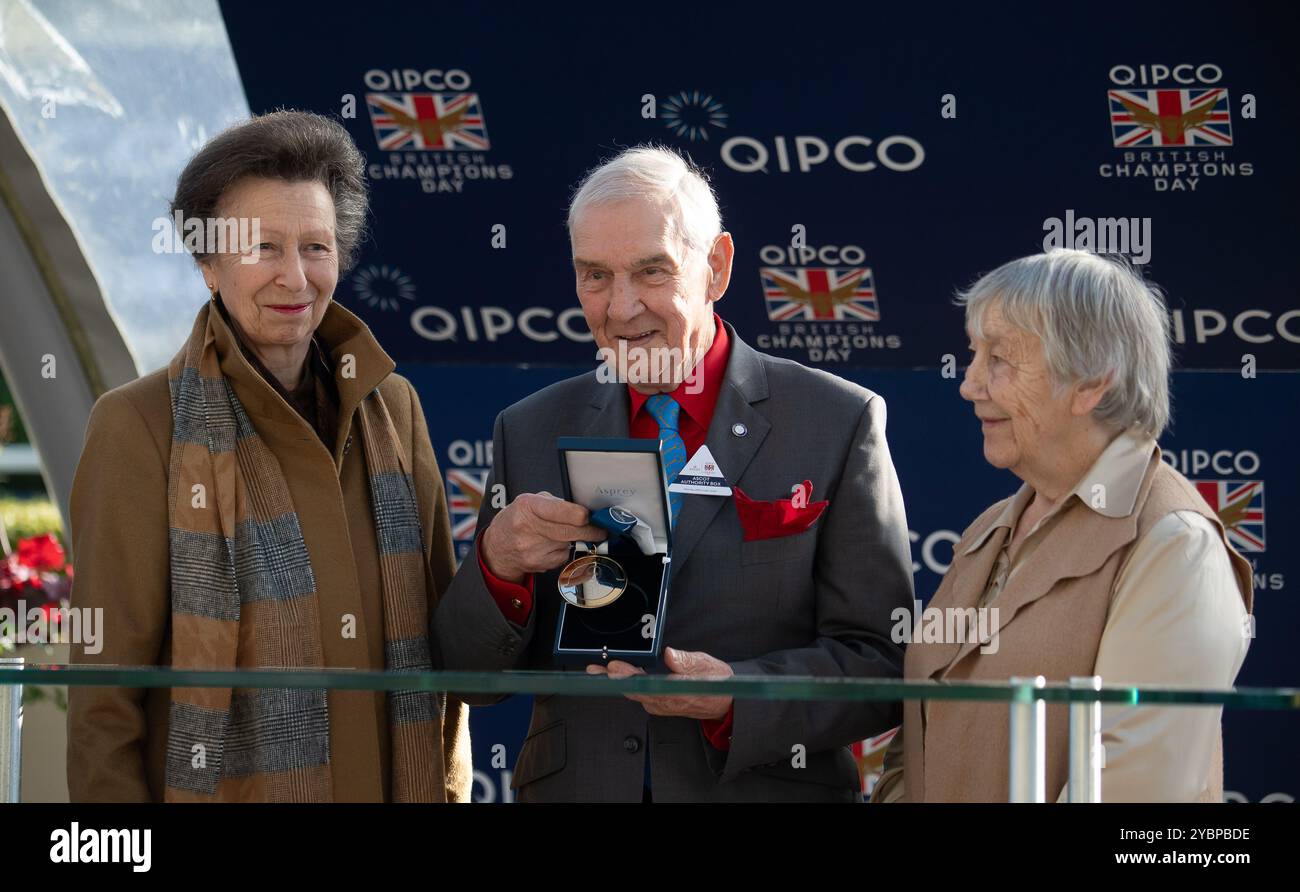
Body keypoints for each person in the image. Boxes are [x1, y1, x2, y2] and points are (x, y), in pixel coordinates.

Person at [432, 145, 914, 801]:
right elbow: (461, 675)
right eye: (595, 276)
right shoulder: (528, 429)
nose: (622, 308)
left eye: (652, 272)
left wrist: (736, 698)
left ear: (716, 267)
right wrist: (497, 564)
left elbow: (884, 664)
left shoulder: (836, 420)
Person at [66, 110, 509, 801]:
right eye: (263, 248)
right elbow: (104, 699)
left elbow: (439, 665)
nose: (294, 277)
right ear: (208, 264)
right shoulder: (138, 426)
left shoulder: (395, 409)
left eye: (316, 247)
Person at [872, 249, 1253, 802]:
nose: (969, 384)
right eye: (974, 355)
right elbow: (919, 747)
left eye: (999, 358)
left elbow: (1134, 796)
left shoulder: (1175, 543)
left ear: (1092, 382)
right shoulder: (990, 530)